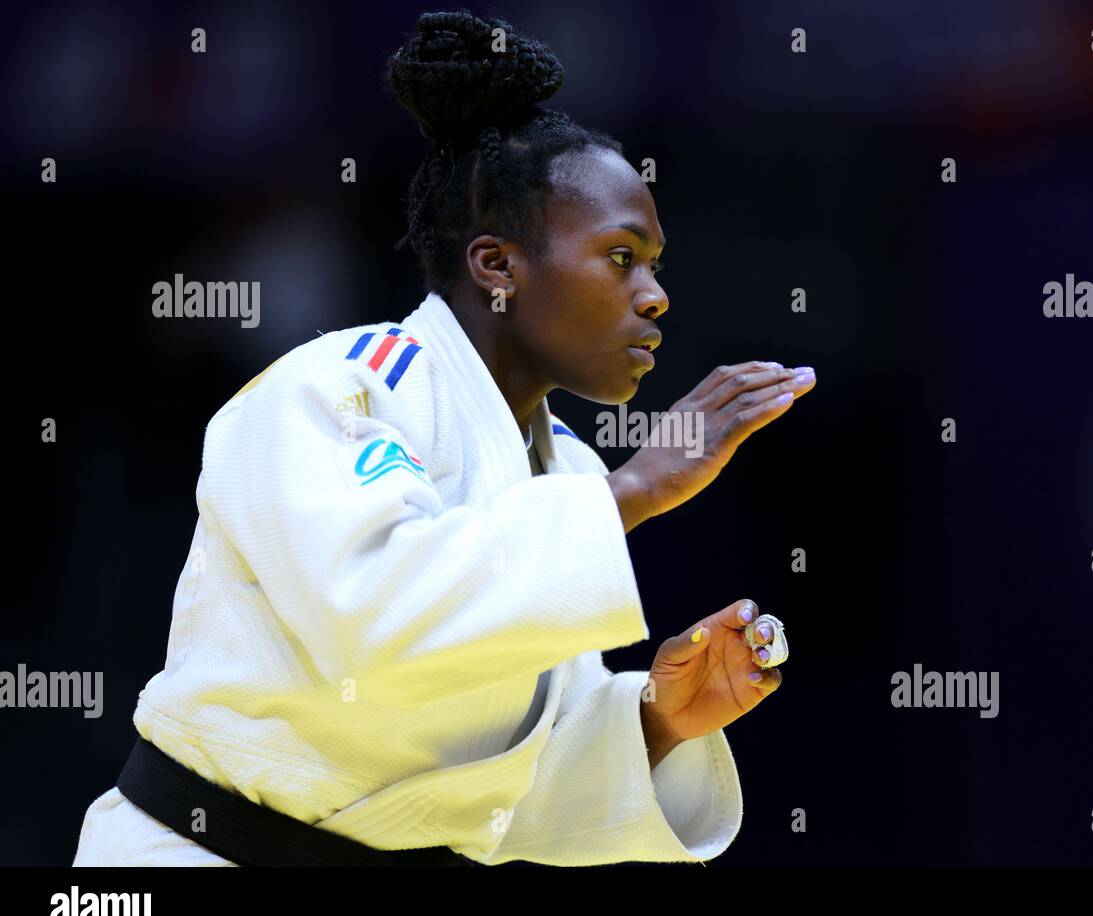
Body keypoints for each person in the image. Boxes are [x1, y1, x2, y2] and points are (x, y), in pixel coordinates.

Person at [72, 9, 815, 867]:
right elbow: (382, 624)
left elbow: (489, 792)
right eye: (621, 256)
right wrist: (633, 491)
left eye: (654, 265)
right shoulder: (338, 389)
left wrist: (660, 720)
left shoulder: (560, 469)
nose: (654, 296)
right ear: (497, 266)